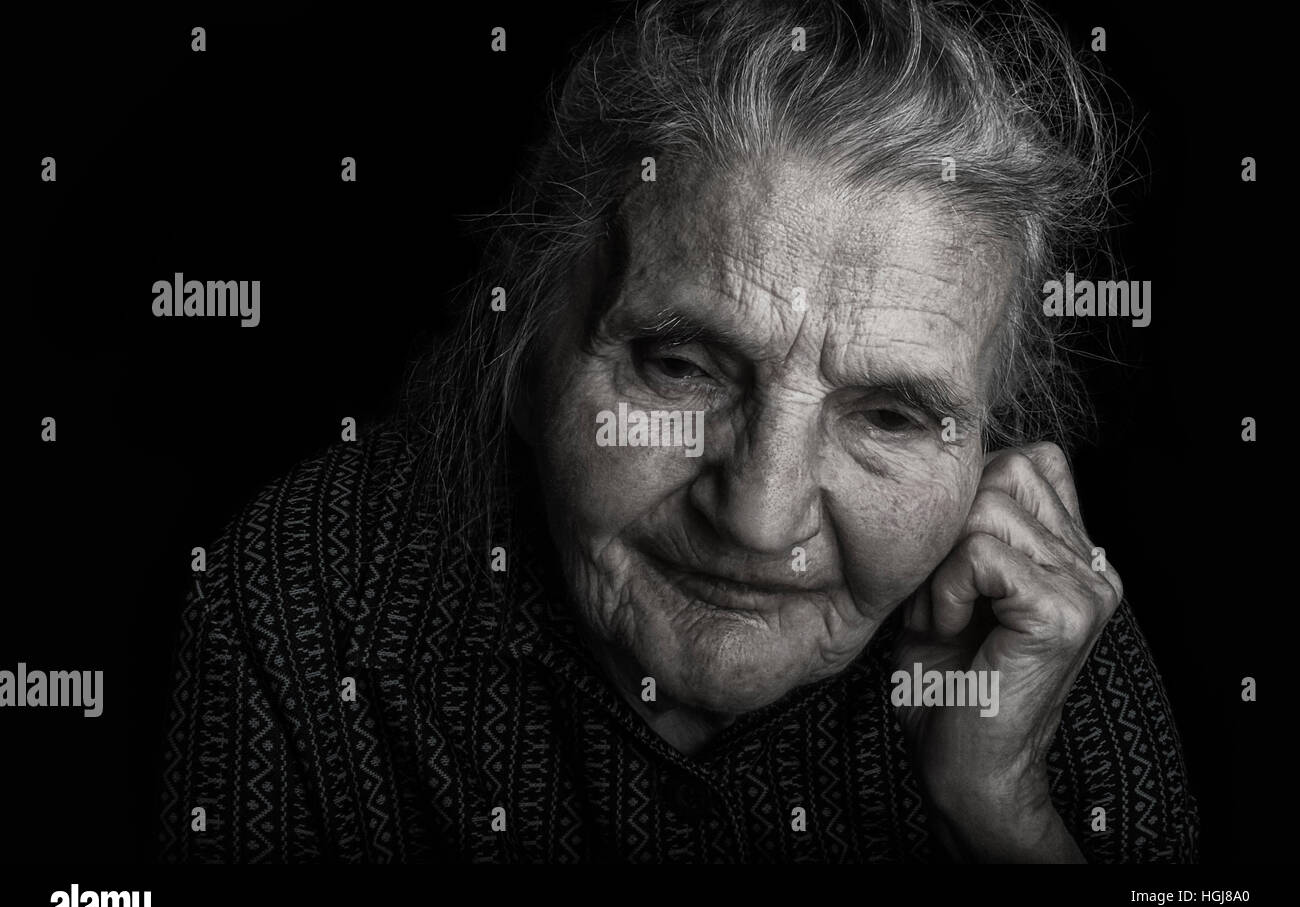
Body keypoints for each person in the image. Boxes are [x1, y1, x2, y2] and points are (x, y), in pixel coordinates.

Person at [158, 0, 1197, 862]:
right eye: (680, 366)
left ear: (990, 450)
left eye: (889, 415)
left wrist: (1004, 814)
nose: (758, 517)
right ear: (520, 351)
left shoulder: (1040, 624)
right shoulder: (312, 595)